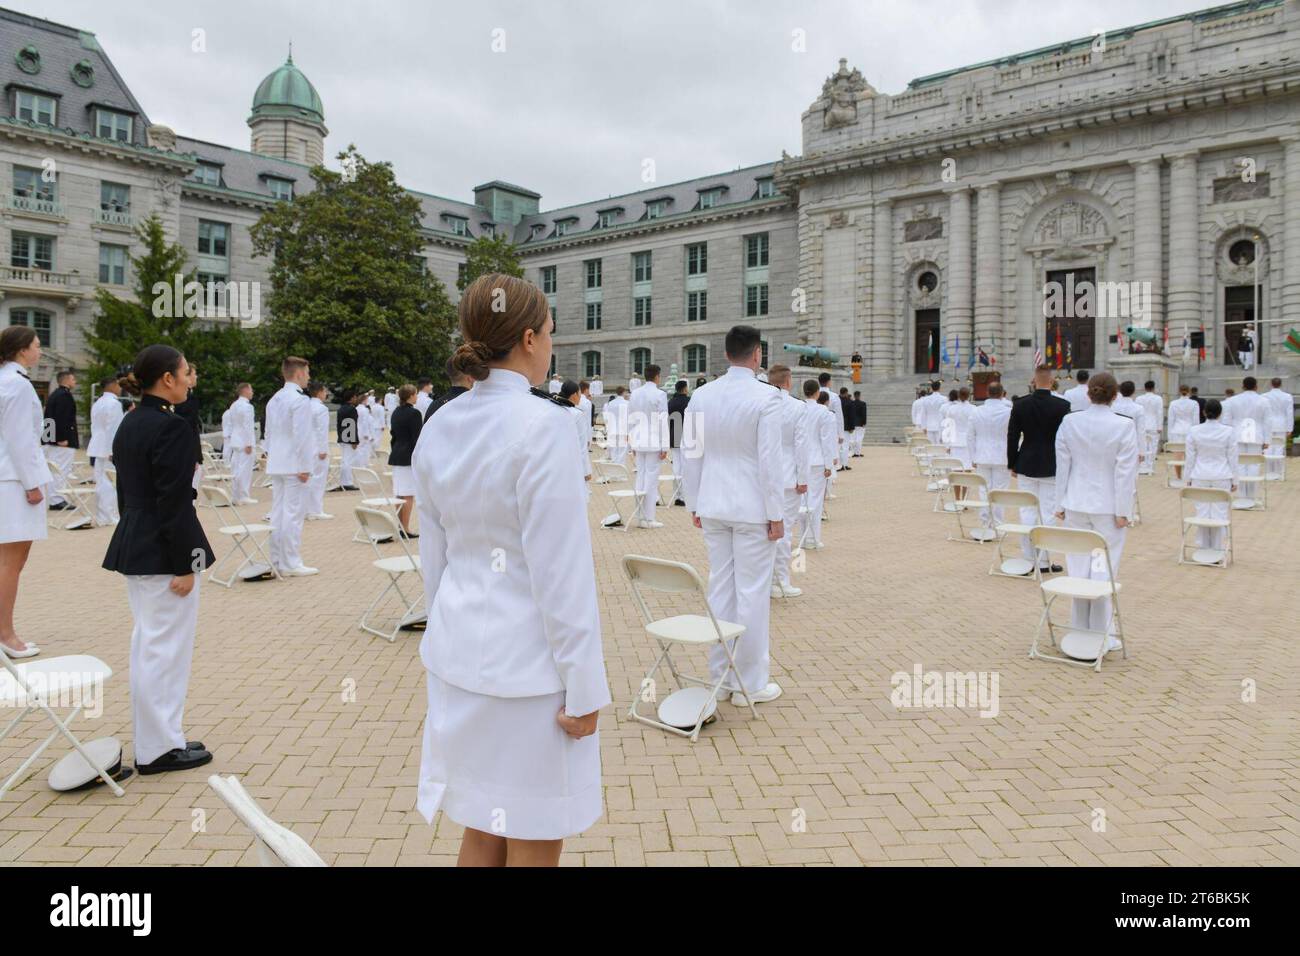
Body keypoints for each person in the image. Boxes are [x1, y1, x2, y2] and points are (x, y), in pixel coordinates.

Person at [412, 273, 609, 867]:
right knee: (533, 831)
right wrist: (585, 683)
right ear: (528, 338)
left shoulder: (441, 423)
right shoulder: (546, 426)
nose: (552, 346)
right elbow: (561, 574)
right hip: (529, 670)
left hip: (459, 654)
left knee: (481, 823)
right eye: (550, 333)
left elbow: (434, 558)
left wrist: (442, 629)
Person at [102, 344, 215, 775]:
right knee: (163, 650)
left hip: (138, 541)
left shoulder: (131, 422)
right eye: (186, 373)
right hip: (164, 551)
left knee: (151, 644)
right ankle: (156, 750)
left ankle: (163, 737)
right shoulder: (171, 427)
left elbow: (125, 494)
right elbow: (173, 502)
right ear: (167, 378)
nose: (189, 379)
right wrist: (187, 562)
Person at [681, 325, 785, 706]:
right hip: (752, 507)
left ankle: (720, 677)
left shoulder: (701, 396)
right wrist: (776, 512)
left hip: (713, 503)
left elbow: (690, 453)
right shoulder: (767, 398)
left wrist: (693, 501)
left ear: (727, 355)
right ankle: (751, 684)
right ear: (757, 354)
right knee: (753, 594)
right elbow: (770, 463)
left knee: (720, 589)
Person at [1053, 372, 1137, 655]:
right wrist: (1124, 510)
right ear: (1115, 395)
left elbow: (1062, 465)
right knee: (1102, 570)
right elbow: (1125, 472)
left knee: (1078, 567)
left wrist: (1059, 504)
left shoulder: (1070, 421)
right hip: (1107, 507)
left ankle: (1080, 630)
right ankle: (1101, 634)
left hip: (1076, 502)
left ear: (1088, 393)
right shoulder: (1123, 426)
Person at [0, 326, 53, 659]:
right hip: (15, 481)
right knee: (10, 564)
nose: (40, 351)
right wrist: (33, 484)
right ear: (22, 350)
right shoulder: (17, 386)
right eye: (36, 346)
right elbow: (21, 440)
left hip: (7, 477)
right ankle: (5, 635)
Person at [1007, 365, 1070, 574]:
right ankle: (1043, 560)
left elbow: (1013, 436)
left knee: (1027, 511)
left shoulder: (1020, 405)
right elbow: (1066, 439)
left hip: (1026, 462)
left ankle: (1028, 558)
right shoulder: (1062, 406)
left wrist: (1012, 463)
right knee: (1048, 512)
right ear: (1051, 382)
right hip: (1052, 464)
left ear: (1034, 381)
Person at [264, 356, 317, 576]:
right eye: (307, 372)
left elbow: (268, 433)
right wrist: (305, 466)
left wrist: (269, 455)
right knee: (293, 514)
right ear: (298, 373)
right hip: (294, 464)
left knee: (278, 513)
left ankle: (277, 559)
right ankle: (291, 562)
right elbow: (302, 436)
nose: (309, 377)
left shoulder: (274, 399)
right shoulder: (300, 400)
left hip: (277, 462)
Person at [767, 365, 807, 598]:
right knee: (784, 531)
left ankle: (767, 578)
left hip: (763, 475)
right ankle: (780, 580)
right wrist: (802, 478)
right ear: (788, 381)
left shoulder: (761, 403)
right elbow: (801, 446)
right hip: (788, 475)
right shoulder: (797, 407)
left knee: (764, 529)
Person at [1183, 399, 1238, 552]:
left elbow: (1190, 458)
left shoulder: (1194, 430)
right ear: (1220, 414)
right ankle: (1218, 548)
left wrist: (1187, 478)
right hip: (1222, 475)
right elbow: (1232, 457)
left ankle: (1203, 547)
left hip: (1200, 475)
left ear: (1204, 412)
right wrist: (1235, 480)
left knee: (1201, 512)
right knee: (1220, 513)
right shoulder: (1229, 431)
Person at [626, 364, 668, 529]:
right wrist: (665, 446)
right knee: (651, 479)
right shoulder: (660, 394)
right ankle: (649, 518)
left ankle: (640, 516)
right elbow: (663, 420)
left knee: (641, 477)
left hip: (638, 439)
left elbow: (631, 418)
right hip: (653, 440)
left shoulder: (635, 393)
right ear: (657, 376)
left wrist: (631, 442)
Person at [1221, 376, 1271, 505]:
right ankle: (1251, 496)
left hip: (1237, 434)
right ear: (1256, 386)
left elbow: (1227, 421)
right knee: (1254, 465)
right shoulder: (1264, 401)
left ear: (1242, 386)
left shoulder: (1232, 401)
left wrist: (1228, 438)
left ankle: (1242, 495)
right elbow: (1267, 422)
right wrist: (1267, 439)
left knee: (1239, 465)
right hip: (1256, 434)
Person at [970, 382, 1012, 526]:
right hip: (1002, 455)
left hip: (981, 455)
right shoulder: (1009, 411)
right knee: (999, 491)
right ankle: (998, 523)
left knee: (984, 490)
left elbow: (970, 436)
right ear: (1002, 394)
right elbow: (1013, 436)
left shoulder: (976, 411)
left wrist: (972, 456)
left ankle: (984, 523)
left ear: (987, 393)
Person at [800, 380, 836, 550]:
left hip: (800, 459)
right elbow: (827, 441)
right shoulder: (825, 413)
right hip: (817, 460)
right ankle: (812, 538)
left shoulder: (798, 408)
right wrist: (829, 465)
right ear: (817, 393)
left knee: (803, 500)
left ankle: (804, 536)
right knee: (815, 501)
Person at [88, 377, 125, 526]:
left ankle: (102, 514)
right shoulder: (114, 404)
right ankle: (109, 515)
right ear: (113, 386)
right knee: (110, 482)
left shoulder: (98, 403)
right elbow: (114, 429)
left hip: (97, 445)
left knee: (100, 482)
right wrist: (113, 450)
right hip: (108, 447)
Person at [387, 384, 423, 537]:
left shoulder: (395, 412)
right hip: (408, 455)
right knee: (408, 494)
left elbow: (393, 434)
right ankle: (405, 528)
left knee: (399, 493)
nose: (417, 397)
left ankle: (401, 526)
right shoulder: (414, 413)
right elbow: (417, 438)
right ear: (410, 396)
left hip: (396, 453)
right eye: (415, 394)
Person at [41, 369, 78, 508]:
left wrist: (49, 438)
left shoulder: (54, 395)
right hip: (62, 441)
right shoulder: (64, 396)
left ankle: (54, 498)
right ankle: (57, 499)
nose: (75, 382)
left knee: (54, 470)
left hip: (52, 439)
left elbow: (49, 418)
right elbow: (62, 418)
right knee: (61, 470)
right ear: (67, 380)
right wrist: (61, 438)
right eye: (73, 379)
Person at [172, 363, 203, 491]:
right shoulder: (187, 400)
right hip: (186, 450)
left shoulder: (182, 398)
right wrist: (194, 455)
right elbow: (188, 427)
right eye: (194, 374)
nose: (196, 377)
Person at [305, 382, 333, 521]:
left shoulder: (305, 406)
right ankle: (315, 510)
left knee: (309, 479)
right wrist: (323, 449)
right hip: (317, 448)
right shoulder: (321, 409)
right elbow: (322, 431)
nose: (325, 393)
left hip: (307, 447)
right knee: (318, 480)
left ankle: (307, 509)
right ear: (320, 392)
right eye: (324, 391)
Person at [559, 380, 594, 488]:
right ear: (574, 395)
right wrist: (586, 471)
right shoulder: (577, 414)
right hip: (575, 462)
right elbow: (581, 445)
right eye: (579, 394)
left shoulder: (556, 409)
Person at [227, 383, 257, 505]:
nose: (252, 392)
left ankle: (235, 495)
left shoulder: (233, 405)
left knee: (236, 469)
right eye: (251, 390)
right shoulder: (247, 407)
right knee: (244, 470)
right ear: (245, 390)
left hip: (236, 440)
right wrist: (249, 443)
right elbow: (247, 426)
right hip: (245, 442)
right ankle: (243, 495)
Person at [1263, 377, 1295, 479]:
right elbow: (1289, 413)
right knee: (1279, 449)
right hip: (1281, 424)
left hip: (1268, 425)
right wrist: (1290, 428)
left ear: (1271, 384)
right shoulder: (1287, 396)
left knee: (1268, 449)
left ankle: (1269, 473)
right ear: (1280, 385)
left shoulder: (1264, 396)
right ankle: (1277, 473)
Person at [667, 379, 690, 506]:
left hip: (674, 435)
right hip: (687, 435)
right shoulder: (689, 401)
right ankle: (684, 494)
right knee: (686, 464)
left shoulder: (671, 402)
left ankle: (677, 493)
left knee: (676, 464)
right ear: (685, 389)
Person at [333, 389, 361, 492]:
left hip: (342, 436)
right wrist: (354, 440)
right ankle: (347, 482)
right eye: (355, 397)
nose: (356, 399)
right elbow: (352, 425)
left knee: (345, 460)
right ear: (352, 398)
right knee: (348, 461)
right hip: (349, 437)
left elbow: (338, 425)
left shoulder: (341, 409)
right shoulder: (352, 409)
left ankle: (344, 481)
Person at [1135, 381, 1164, 475]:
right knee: (1153, 447)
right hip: (1153, 425)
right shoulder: (1158, 398)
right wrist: (1160, 426)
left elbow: (1136, 412)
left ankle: (1141, 467)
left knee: (1141, 446)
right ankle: (1150, 467)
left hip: (1142, 424)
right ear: (1153, 388)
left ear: (1145, 388)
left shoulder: (1139, 398)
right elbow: (1159, 413)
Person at [819, 372, 846, 471]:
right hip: (831, 427)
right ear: (829, 382)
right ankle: (830, 474)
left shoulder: (815, 393)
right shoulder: (834, 396)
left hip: (816, 425)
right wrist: (841, 434)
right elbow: (839, 417)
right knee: (831, 450)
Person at [602, 386, 629, 469]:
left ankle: (614, 470)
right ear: (623, 392)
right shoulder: (627, 403)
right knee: (622, 451)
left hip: (612, 429)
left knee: (614, 451)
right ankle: (620, 471)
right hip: (623, 430)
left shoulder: (610, 403)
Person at [922, 381, 945, 445]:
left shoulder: (925, 399)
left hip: (929, 425)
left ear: (931, 388)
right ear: (939, 388)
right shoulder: (944, 399)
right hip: (940, 425)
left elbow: (923, 414)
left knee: (931, 446)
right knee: (940, 446)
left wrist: (924, 426)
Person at [850, 391, 867, 457]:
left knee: (852, 439)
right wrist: (864, 422)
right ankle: (857, 452)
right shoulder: (863, 403)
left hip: (853, 423)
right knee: (859, 438)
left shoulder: (851, 403)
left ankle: (853, 452)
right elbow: (864, 414)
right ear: (859, 396)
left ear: (854, 396)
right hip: (860, 423)